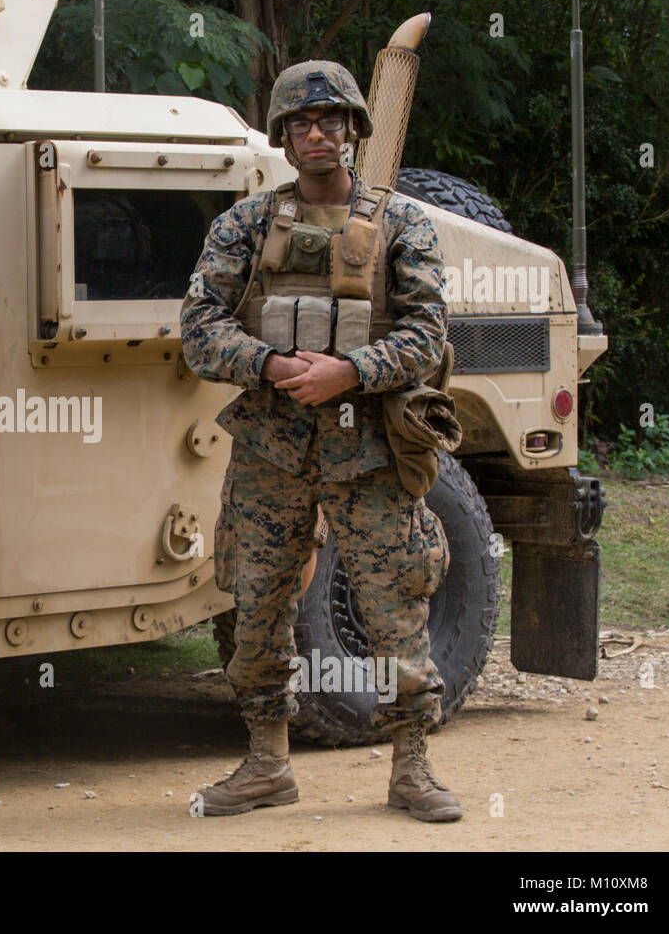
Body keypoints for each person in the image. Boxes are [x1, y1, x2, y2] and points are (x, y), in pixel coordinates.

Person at [180, 60, 462, 822]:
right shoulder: (243, 225)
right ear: (281, 136)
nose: (316, 133)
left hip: (368, 450)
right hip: (272, 450)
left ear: (353, 132)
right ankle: (267, 764)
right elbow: (199, 335)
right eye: (301, 123)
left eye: (331, 120)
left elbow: (427, 337)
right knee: (257, 608)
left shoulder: (403, 224)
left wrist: (349, 371)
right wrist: (270, 362)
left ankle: (412, 769)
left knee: (395, 607)